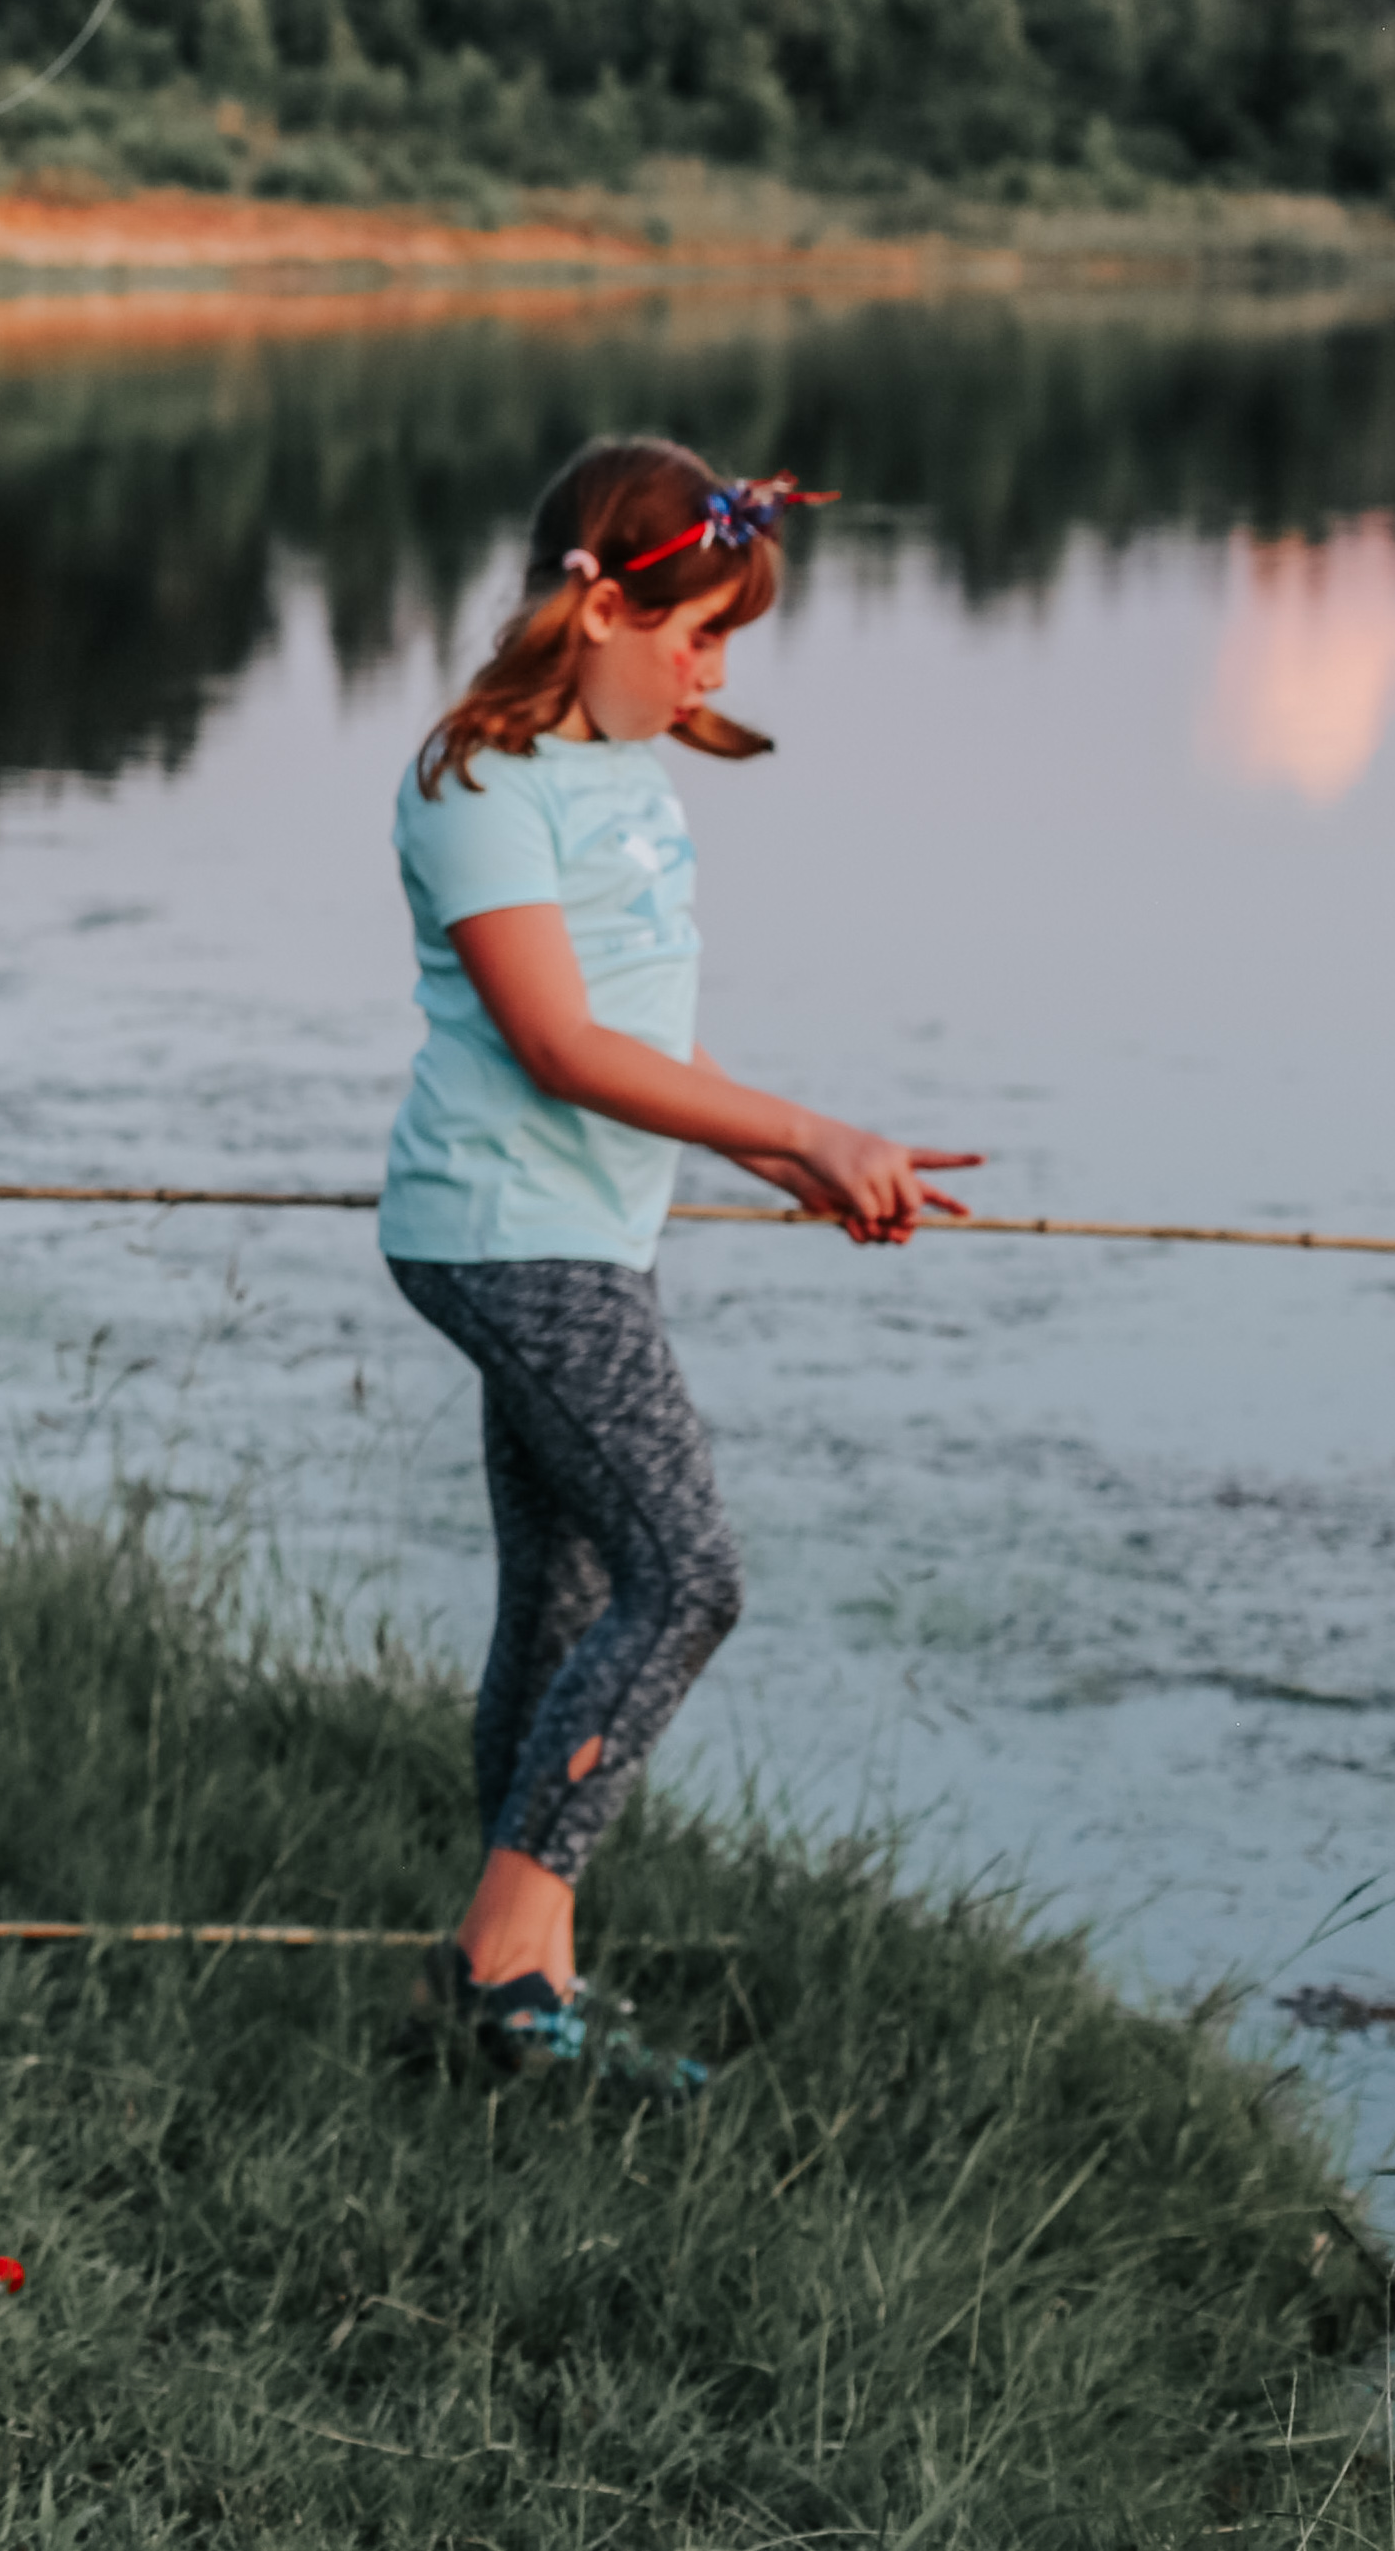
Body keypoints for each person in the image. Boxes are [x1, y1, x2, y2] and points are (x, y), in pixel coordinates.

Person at [387, 436, 976, 2086]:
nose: (711, 668)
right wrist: (811, 1122)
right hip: (509, 1232)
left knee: (571, 1592)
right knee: (688, 1575)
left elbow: (651, 1035)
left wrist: (784, 1159)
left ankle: (517, 1989)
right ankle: (502, 1960)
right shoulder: (474, 782)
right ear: (593, 605)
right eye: (696, 630)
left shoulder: (625, 788)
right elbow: (562, 1047)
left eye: (730, 638)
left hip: (579, 1233)